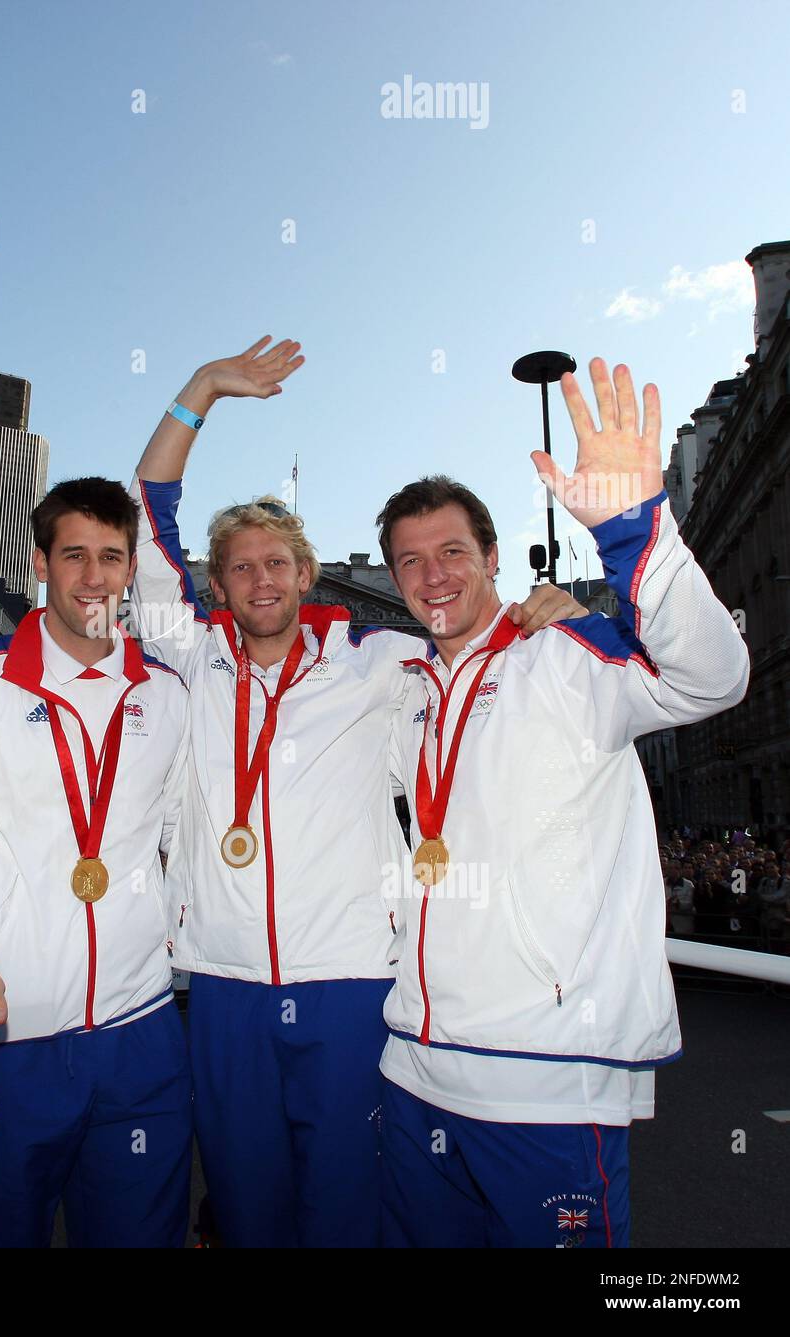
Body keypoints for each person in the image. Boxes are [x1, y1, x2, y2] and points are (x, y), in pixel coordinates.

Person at [128, 338, 582, 1247]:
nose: (263, 579)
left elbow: (478, 630)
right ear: (217, 586)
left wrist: (551, 609)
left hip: (347, 985)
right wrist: (200, 391)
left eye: (279, 563)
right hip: (221, 985)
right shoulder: (190, 656)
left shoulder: (378, 660)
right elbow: (148, 510)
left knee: (345, 1209)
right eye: (243, 567)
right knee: (249, 1208)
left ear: (306, 573)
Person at [376, 358, 749, 1249]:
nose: (432, 576)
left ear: (494, 557)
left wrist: (631, 528)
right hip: (412, 1070)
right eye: (410, 561)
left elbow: (714, 676)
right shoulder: (403, 690)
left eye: (453, 552)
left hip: (546, 1077)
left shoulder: (571, 654)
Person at [0, 478, 193, 1247]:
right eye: (73, 554)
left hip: (142, 1034)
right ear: (40, 562)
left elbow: (182, 836)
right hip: (8, 1033)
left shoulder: (171, 694)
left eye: (112, 556)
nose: (94, 576)